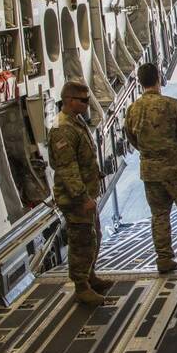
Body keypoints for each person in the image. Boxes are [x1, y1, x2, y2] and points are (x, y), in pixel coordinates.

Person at [124, 64, 177, 274]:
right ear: (159, 79)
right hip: (176, 170)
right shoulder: (172, 106)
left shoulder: (132, 109)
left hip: (151, 172)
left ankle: (164, 258)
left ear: (140, 82)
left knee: (159, 215)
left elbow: (131, 139)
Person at [48, 80, 116, 304]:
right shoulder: (63, 129)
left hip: (85, 194)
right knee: (81, 241)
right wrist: (82, 197)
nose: (87, 104)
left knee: (93, 236)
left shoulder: (76, 122)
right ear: (68, 100)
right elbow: (67, 169)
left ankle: (90, 276)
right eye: (83, 100)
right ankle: (81, 286)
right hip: (76, 198)